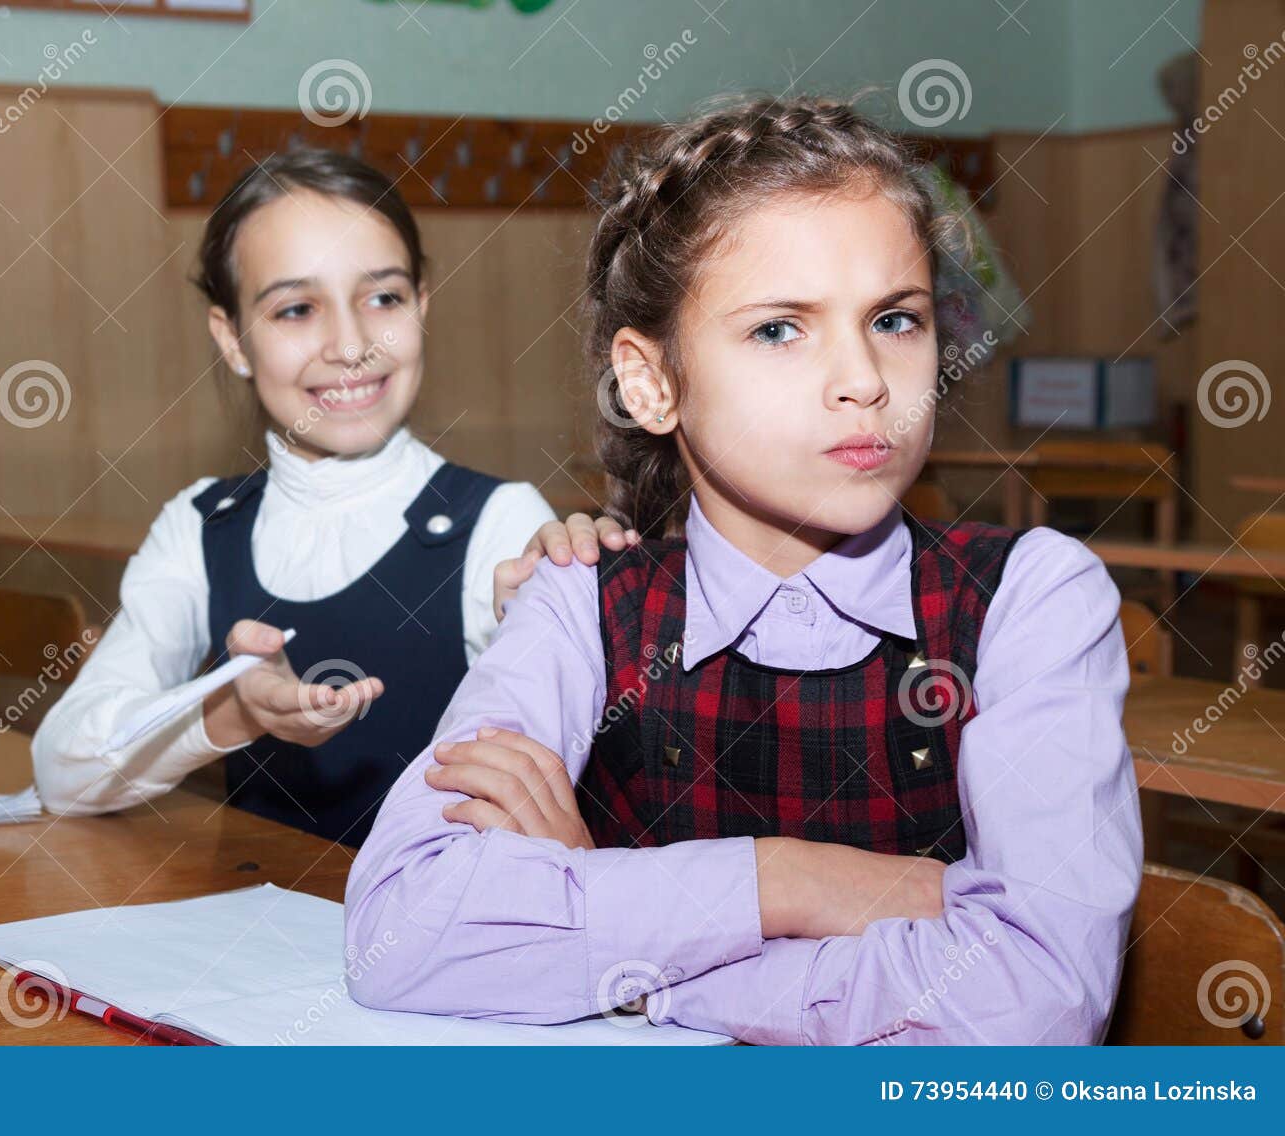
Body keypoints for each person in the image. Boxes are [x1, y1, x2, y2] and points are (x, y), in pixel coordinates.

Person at [343, 94, 1142, 1044]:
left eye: (895, 319)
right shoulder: (577, 598)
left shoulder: (1034, 597)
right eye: (779, 329)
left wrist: (630, 960)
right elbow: (398, 932)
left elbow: (1036, 1011)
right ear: (652, 382)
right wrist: (793, 881)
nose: (865, 380)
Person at [32, 149, 561, 847]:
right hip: (257, 940)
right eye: (296, 309)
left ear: (422, 303)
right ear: (233, 340)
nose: (350, 344)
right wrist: (229, 714)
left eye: (383, 298)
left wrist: (560, 638)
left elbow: (577, 785)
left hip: (447, 942)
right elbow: (61, 771)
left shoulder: (501, 523)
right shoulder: (200, 526)